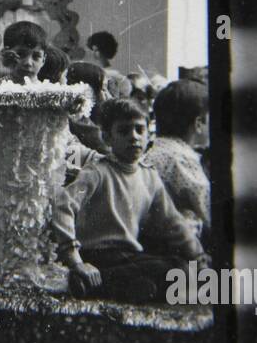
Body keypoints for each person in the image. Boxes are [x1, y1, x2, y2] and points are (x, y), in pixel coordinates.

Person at [52, 98, 207, 303]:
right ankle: (91, 280)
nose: (134, 137)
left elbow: (172, 221)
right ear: (108, 137)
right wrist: (75, 261)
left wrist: (198, 256)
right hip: (96, 255)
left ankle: (122, 286)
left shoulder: (149, 176)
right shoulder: (97, 172)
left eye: (139, 130)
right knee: (165, 270)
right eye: (124, 131)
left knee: (179, 267)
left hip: (128, 256)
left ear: (148, 135)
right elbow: (63, 206)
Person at [147, 79, 211, 237]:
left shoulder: (155, 150)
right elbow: (207, 208)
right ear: (199, 123)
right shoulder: (181, 158)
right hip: (175, 243)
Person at [87, 29, 132, 98]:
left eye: (96, 50)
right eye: (93, 50)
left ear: (104, 50)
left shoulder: (114, 75)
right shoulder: (92, 70)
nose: (93, 53)